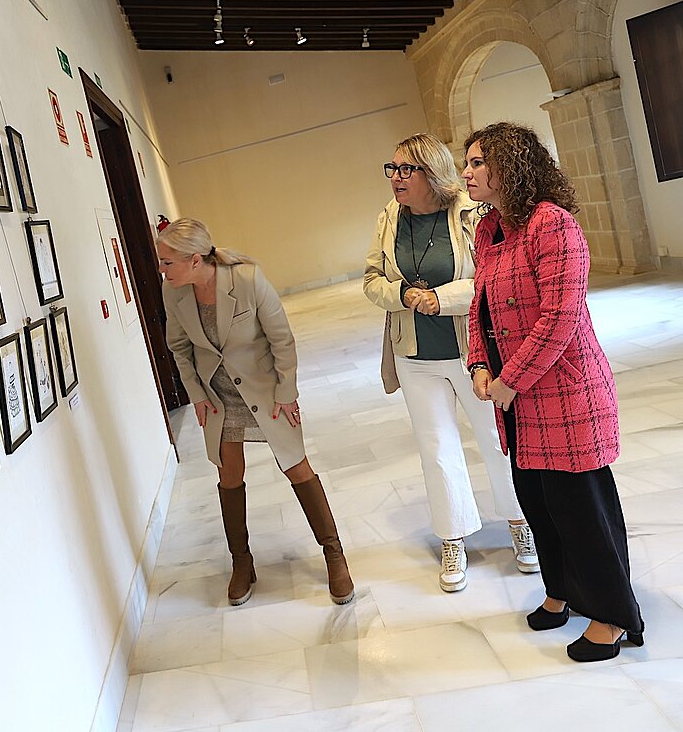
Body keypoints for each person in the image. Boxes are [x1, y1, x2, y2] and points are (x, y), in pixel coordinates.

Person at [463, 121, 643, 662]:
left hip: (564, 393)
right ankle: (562, 590)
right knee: (539, 502)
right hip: (515, 400)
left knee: (581, 507)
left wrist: (508, 382)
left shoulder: (553, 224)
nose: (467, 173)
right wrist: (477, 362)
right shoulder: (489, 230)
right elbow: (481, 306)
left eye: (476, 162)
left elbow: (559, 317)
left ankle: (612, 616)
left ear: (508, 166)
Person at [364, 133, 537, 592]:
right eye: (393, 169)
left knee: (495, 439)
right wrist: (402, 295)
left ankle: (521, 525)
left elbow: (488, 277)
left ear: (431, 173)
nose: (396, 178)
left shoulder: (470, 211)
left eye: (406, 169)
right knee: (436, 448)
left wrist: (440, 298)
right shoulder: (388, 218)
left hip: (471, 351)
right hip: (414, 353)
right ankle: (453, 536)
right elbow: (371, 277)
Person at [158, 218, 354, 606]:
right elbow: (179, 348)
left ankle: (334, 555)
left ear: (195, 260)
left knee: (297, 466)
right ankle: (242, 563)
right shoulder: (174, 292)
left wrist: (286, 392)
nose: (161, 270)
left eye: (167, 262)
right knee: (229, 475)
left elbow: (282, 339)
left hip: (265, 392)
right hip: (218, 396)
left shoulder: (247, 279)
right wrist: (196, 395)